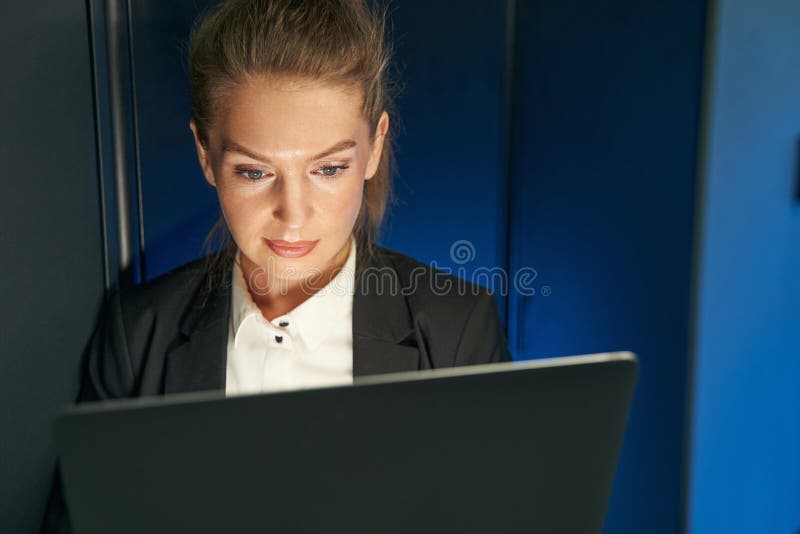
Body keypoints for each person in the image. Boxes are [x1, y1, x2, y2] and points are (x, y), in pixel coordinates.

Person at [42, 0, 510, 531]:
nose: (293, 213)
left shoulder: (456, 330)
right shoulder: (136, 333)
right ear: (205, 154)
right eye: (254, 172)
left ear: (375, 146)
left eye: (328, 168)